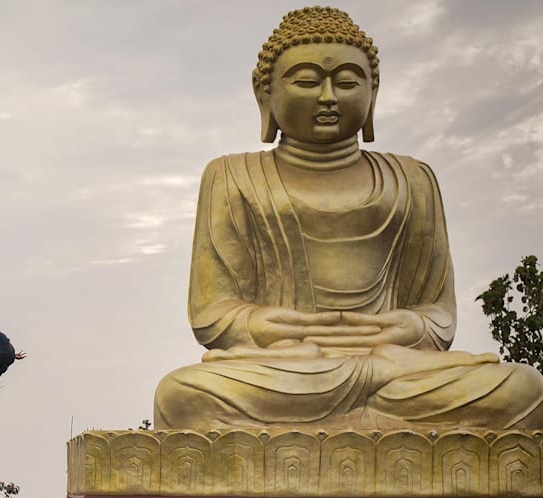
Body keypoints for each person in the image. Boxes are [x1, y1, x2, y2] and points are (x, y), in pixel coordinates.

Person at [152, 6, 543, 430]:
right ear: (263, 93)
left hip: (398, 368)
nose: (327, 97)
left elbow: (438, 312)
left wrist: (410, 327)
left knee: (523, 387)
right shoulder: (231, 176)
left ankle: (346, 428)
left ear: (373, 92)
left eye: (347, 82)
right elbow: (212, 312)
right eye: (305, 81)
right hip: (287, 369)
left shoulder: (412, 180)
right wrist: (259, 325)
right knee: (183, 395)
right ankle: (381, 430)